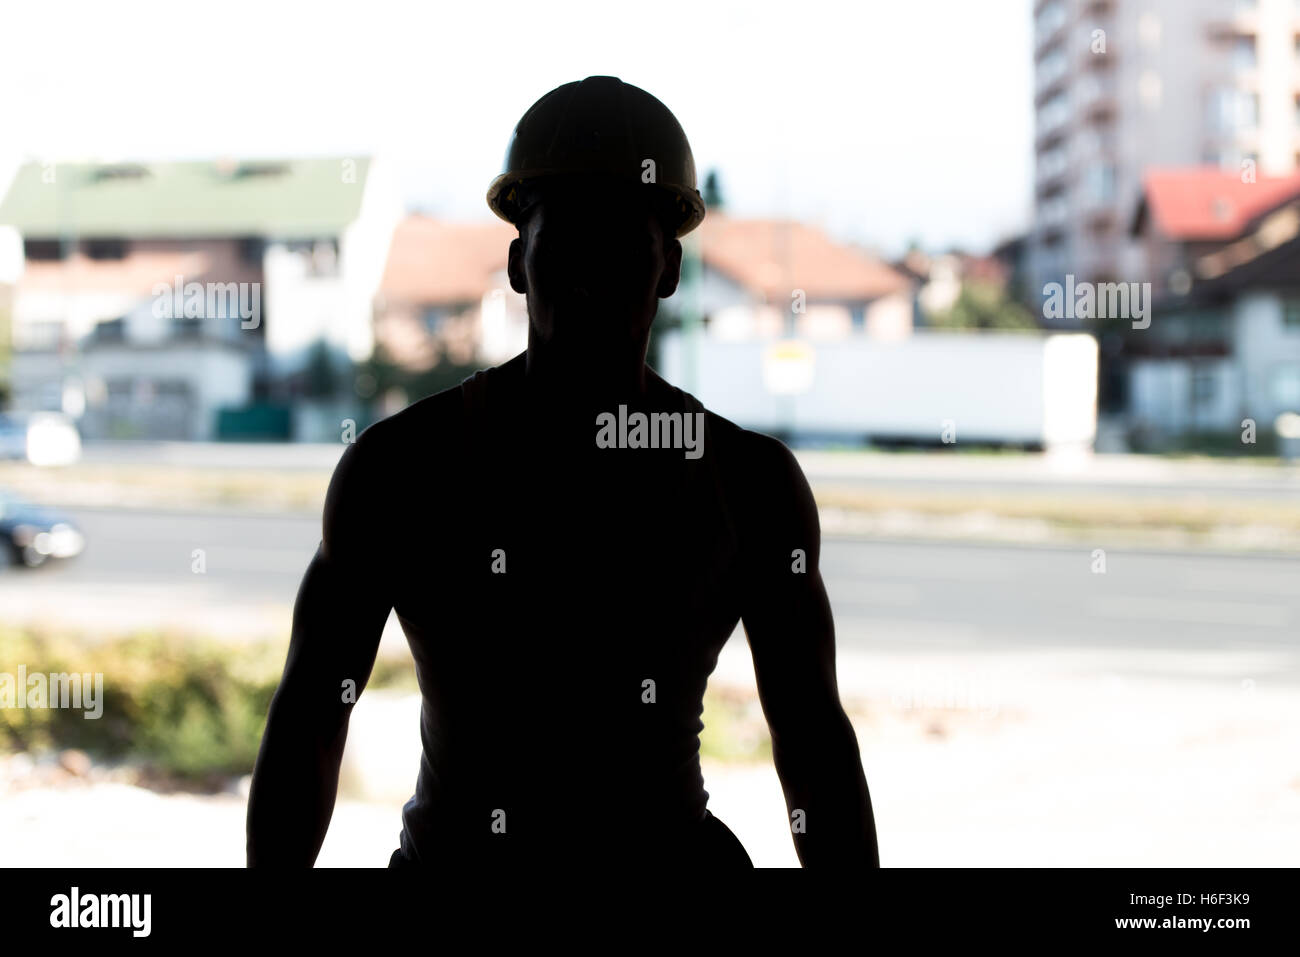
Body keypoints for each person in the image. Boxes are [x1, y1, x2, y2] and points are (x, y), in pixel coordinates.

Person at [246, 76, 879, 869]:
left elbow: (814, 738)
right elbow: (311, 713)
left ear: (669, 268)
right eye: (568, 243)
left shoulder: (751, 485)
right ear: (519, 264)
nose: (591, 277)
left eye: (622, 247)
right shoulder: (400, 470)